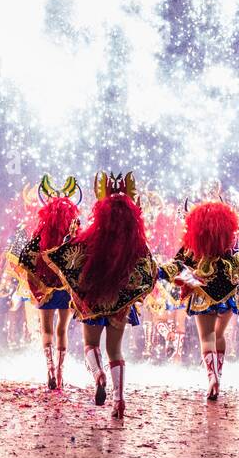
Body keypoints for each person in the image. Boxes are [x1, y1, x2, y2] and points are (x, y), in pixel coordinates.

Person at [45, 171, 157, 419]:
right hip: (120, 302)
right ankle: (118, 400)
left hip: (93, 300)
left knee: (91, 344)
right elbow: (150, 269)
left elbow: (70, 257)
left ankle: (98, 375)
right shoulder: (135, 245)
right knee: (115, 350)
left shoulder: (91, 238)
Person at [160, 201, 239, 401]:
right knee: (219, 335)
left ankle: (212, 377)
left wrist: (159, 271)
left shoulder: (193, 245)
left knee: (207, 337)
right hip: (228, 295)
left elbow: (177, 264)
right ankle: (218, 375)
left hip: (203, 293)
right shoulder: (232, 244)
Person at [9, 176, 82, 391]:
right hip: (66, 287)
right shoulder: (74, 231)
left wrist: (33, 275)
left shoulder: (41, 232)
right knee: (62, 329)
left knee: (46, 329)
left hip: (44, 288)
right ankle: (60, 374)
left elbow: (24, 255)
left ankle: (49, 370)